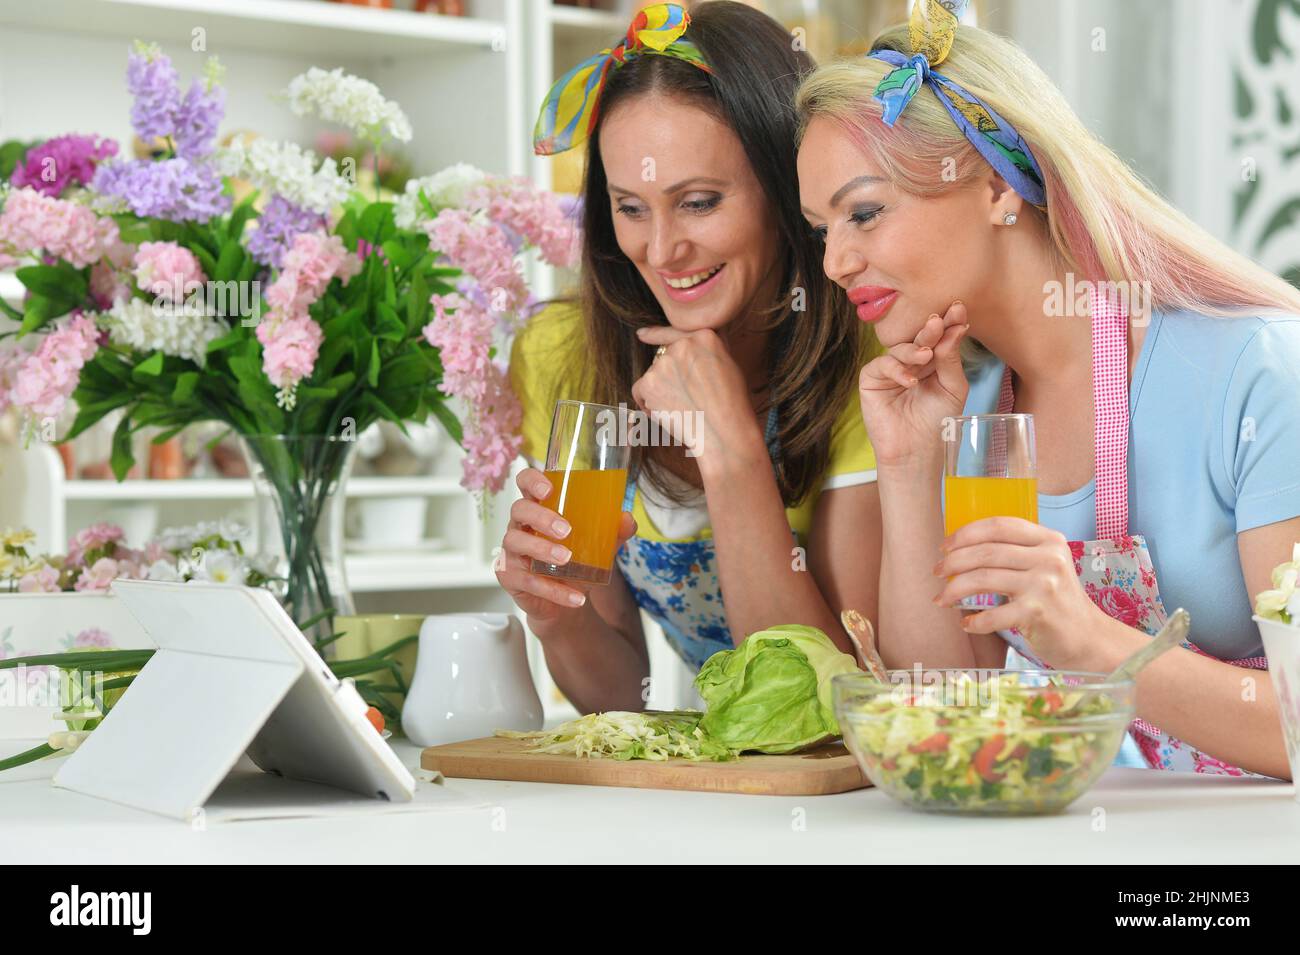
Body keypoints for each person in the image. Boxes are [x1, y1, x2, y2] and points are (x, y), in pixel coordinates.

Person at [795, 0, 1300, 777]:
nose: (835, 263)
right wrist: (907, 467)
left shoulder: (1257, 371)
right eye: (822, 231)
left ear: (998, 186)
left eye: (864, 212)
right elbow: (945, 712)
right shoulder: (972, 405)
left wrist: (1087, 637)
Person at [499, 2, 881, 713]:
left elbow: (841, 700)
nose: (662, 250)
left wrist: (731, 451)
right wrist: (556, 616)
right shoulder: (560, 355)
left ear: (786, 185)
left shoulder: (867, 364)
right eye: (631, 207)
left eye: (699, 202)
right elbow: (618, 694)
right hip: (711, 796)